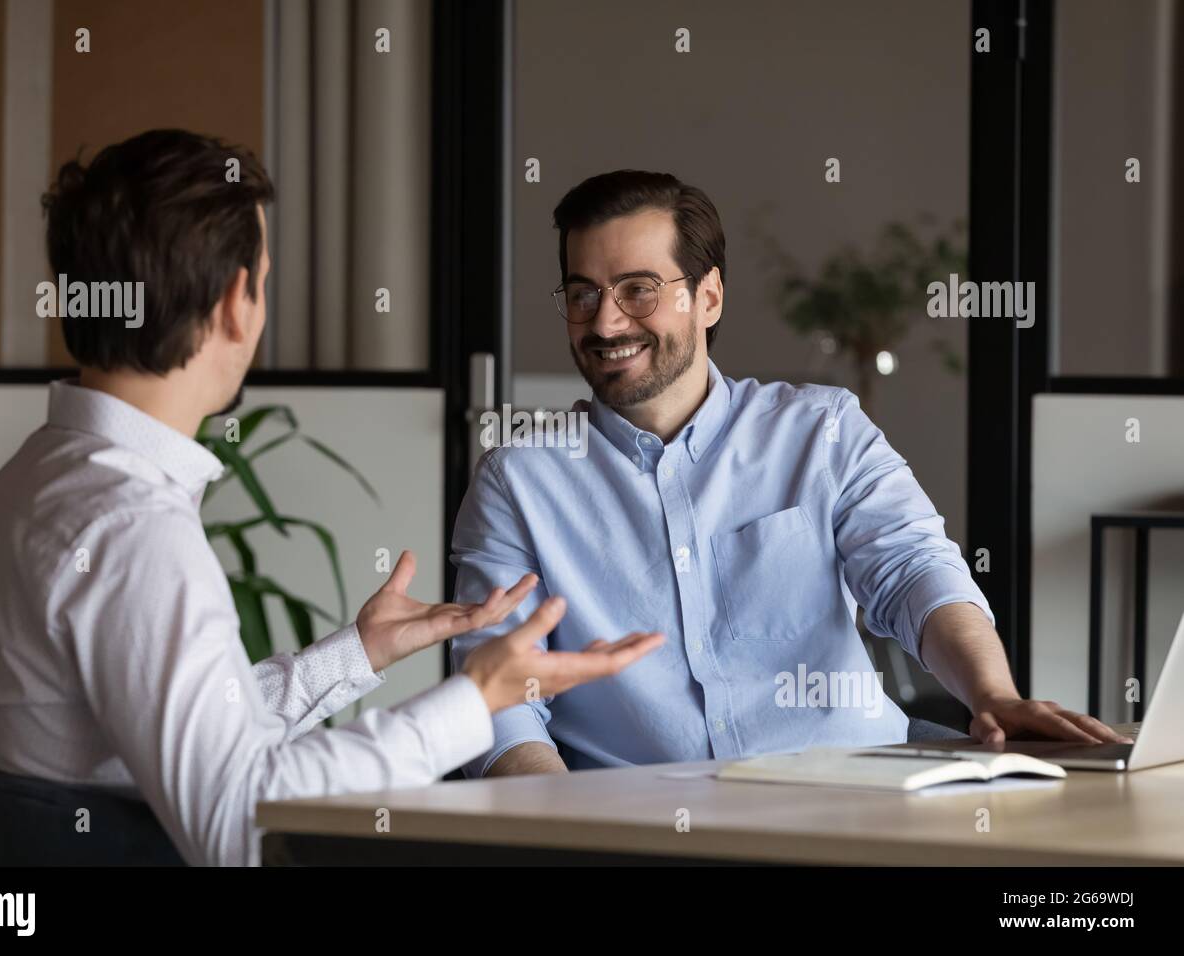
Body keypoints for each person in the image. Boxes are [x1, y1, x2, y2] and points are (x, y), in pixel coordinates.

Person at [0, 131, 662, 865]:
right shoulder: (132, 527)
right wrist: (473, 699)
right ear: (237, 301)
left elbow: (176, 734)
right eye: (263, 277)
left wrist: (355, 654)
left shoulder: (37, 479)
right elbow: (235, 820)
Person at [449, 169, 1130, 778]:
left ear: (709, 297)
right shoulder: (518, 483)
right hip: (642, 828)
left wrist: (994, 695)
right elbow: (497, 696)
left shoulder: (821, 430)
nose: (604, 320)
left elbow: (914, 570)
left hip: (856, 799)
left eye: (638, 289)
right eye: (582, 293)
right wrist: (566, 832)